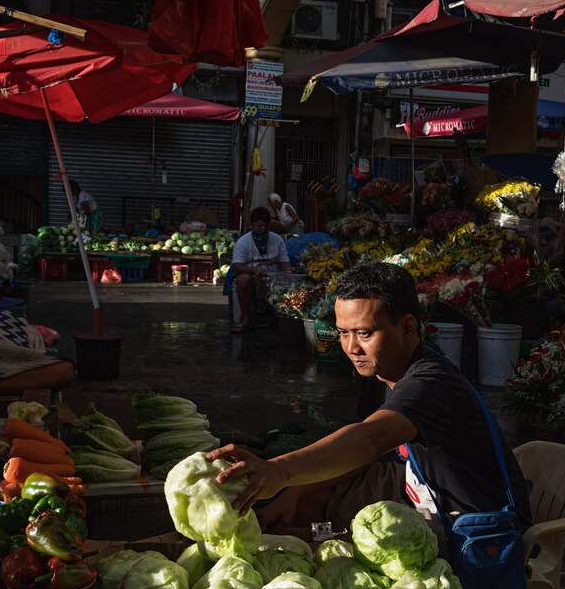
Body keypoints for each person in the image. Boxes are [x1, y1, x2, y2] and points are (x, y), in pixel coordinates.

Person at [207, 261, 533, 540]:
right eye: (343, 332)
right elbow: (360, 453)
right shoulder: (379, 367)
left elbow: (369, 440)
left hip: (472, 523)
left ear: (407, 327)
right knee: (307, 497)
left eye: (364, 333)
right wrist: (295, 491)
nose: (351, 348)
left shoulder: (430, 383)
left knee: (343, 544)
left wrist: (279, 470)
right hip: (419, 485)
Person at [230, 207, 292, 333]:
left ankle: (284, 319)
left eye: (266, 226)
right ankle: (246, 318)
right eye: (259, 226)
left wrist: (288, 268)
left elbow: (284, 262)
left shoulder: (277, 239)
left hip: (273, 278)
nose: (262, 228)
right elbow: (237, 266)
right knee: (243, 279)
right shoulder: (243, 241)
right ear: (252, 225)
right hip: (253, 278)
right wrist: (253, 270)